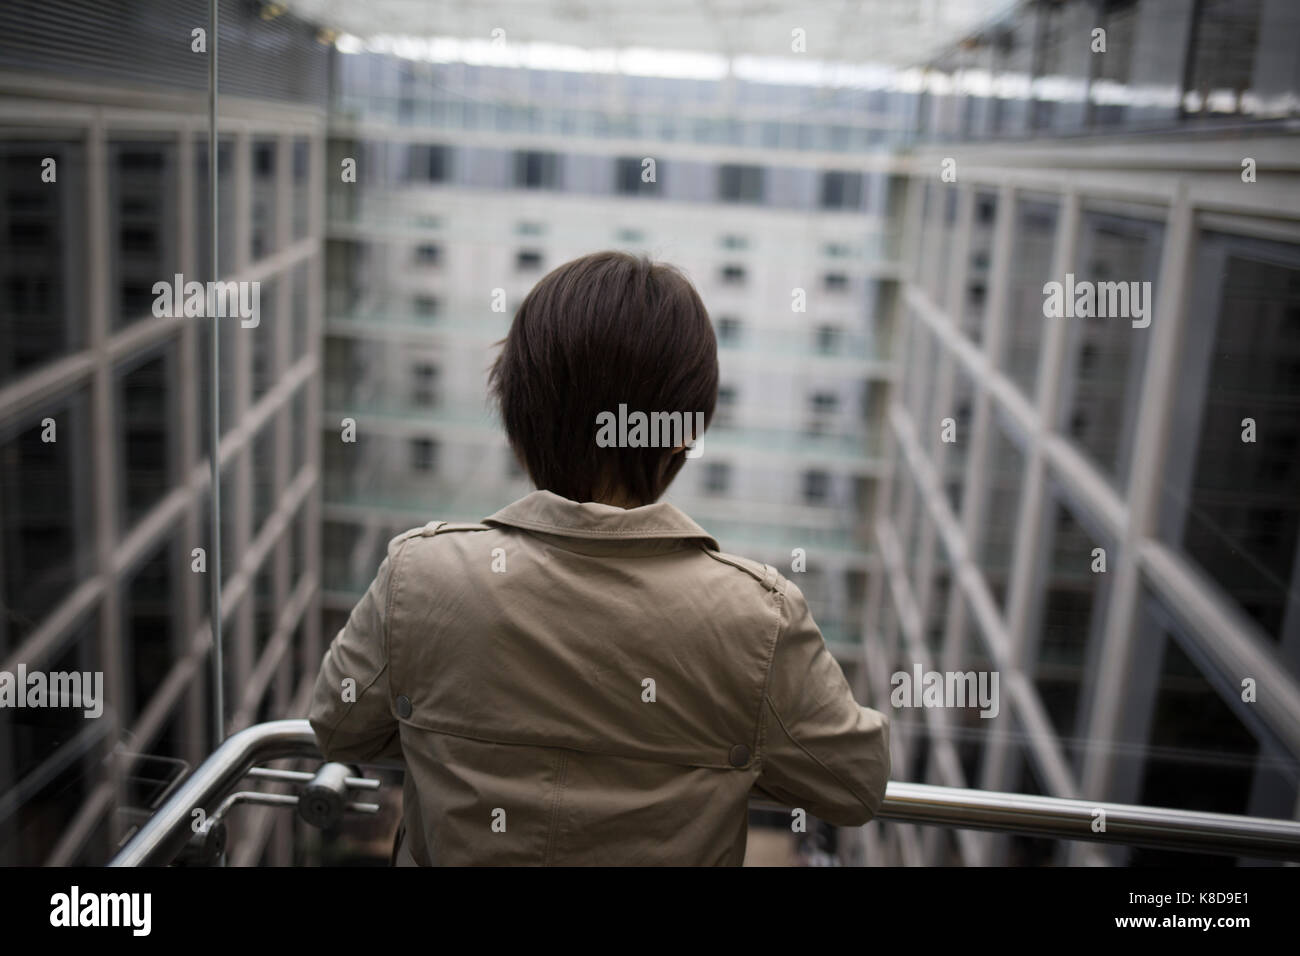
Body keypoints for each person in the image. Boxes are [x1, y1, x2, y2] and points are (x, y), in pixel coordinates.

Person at [309, 250, 890, 865]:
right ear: (684, 437)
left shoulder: (420, 578)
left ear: (517, 421)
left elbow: (337, 726)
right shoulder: (758, 621)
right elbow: (856, 783)